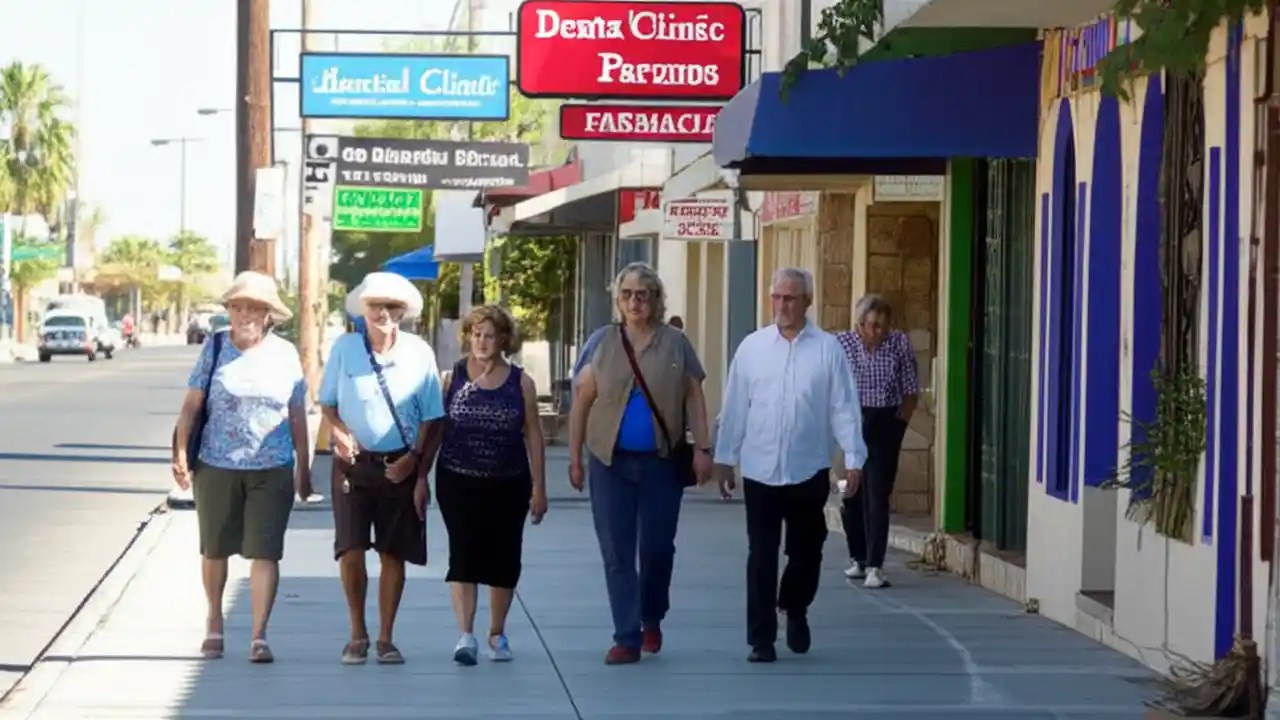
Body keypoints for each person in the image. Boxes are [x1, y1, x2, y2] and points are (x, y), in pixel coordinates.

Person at [714, 267, 867, 663]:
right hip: (761, 469)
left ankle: (794, 606)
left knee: (807, 550)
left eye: (791, 298)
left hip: (808, 468)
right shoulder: (752, 348)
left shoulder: (828, 349)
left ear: (807, 302)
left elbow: (843, 407)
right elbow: (734, 407)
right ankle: (761, 639)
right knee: (761, 555)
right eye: (777, 298)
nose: (782, 305)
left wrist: (854, 458)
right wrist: (725, 459)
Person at [569, 261, 713, 665]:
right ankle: (626, 636)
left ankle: (652, 615)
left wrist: (703, 449)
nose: (635, 302)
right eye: (628, 295)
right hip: (608, 462)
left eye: (643, 294)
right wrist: (577, 458)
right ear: (618, 301)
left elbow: (694, 397)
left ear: (656, 300)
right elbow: (582, 400)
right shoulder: (603, 343)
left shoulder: (675, 343)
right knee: (616, 550)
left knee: (656, 548)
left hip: (661, 463)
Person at [172, 271, 312, 664]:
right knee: (215, 548)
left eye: (254, 307)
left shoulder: (285, 354)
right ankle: (214, 621)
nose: (245, 313)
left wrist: (303, 467)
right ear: (229, 312)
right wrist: (180, 452)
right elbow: (191, 406)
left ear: (269, 314)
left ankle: (258, 634)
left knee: (265, 551)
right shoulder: (214, 347)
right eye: (238, 306)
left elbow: (297, 413)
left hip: (272, 466)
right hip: (216, 463)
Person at [318, 272, 445, 666]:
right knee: (350, 550)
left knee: (394, 553)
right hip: (353, 467)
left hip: (399, 467)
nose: (384, 313)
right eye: (376, 306)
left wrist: (416, 463)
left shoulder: (419, 352)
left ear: (403, 312)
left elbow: (433, 417)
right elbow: (328, 404)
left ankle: (387, 638)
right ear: (363, 310)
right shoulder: (345, 348)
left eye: (392, 307)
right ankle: (357, 632)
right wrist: (338, 433)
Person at [420, 305, 547, 666]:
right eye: (476, 334)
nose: (482, 341)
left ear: (504, 340)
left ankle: (497, 631)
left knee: (504, 558)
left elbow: (533, 434)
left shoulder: (521, 383)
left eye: (490, 335)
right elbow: (435, 430)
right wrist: (420, 476)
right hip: (457, 479)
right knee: (463, 553)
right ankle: (466, 635)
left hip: (509, 482)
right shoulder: (452, 378)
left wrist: (540, 485)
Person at [835, 294, 920, 589]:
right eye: (871, 325)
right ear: (859, 324)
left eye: (882, 326)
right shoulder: (842, 344)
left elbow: (911, 390)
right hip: (851, 421)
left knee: (877, 494)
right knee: (850, 493)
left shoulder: (898, 344)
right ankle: (857, 556)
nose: (877, 332)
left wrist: (899, 427)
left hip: (884, 421)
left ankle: (875, 564)